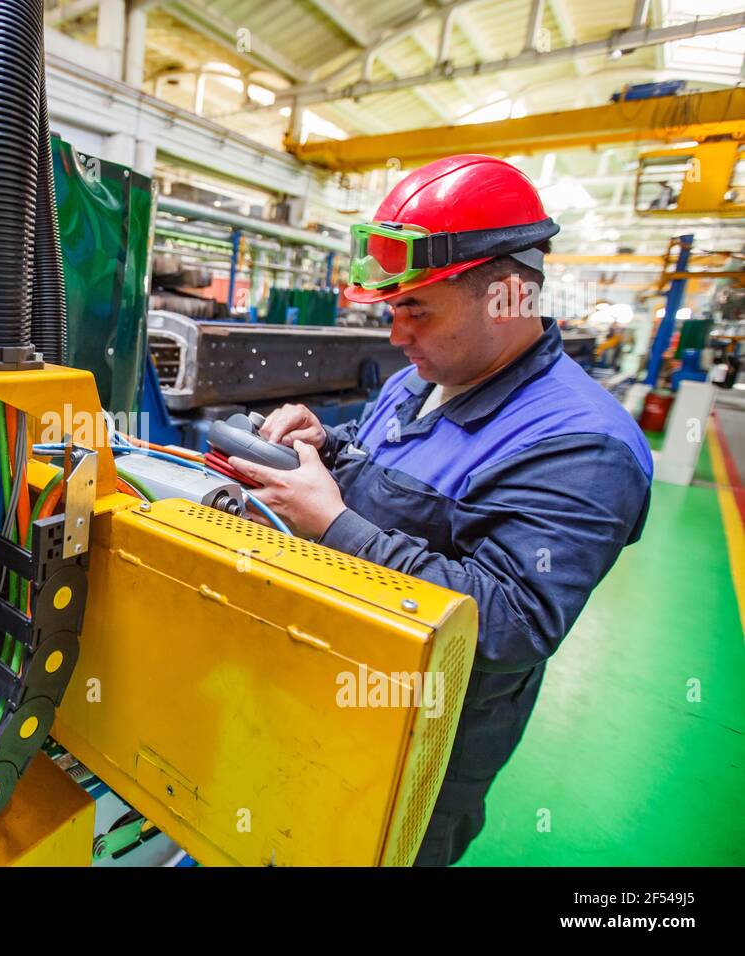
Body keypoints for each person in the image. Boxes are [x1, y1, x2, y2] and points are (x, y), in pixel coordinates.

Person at [226, 154, 653, 866]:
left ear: (508, 297)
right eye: (394, 310)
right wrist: (324, 446)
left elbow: (509, 623)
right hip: (322, 686)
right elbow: (376, 459)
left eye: (416, 309)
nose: (396, 335)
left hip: (424, 743)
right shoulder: (421, 378)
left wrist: (331, 524)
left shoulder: (585, 445)